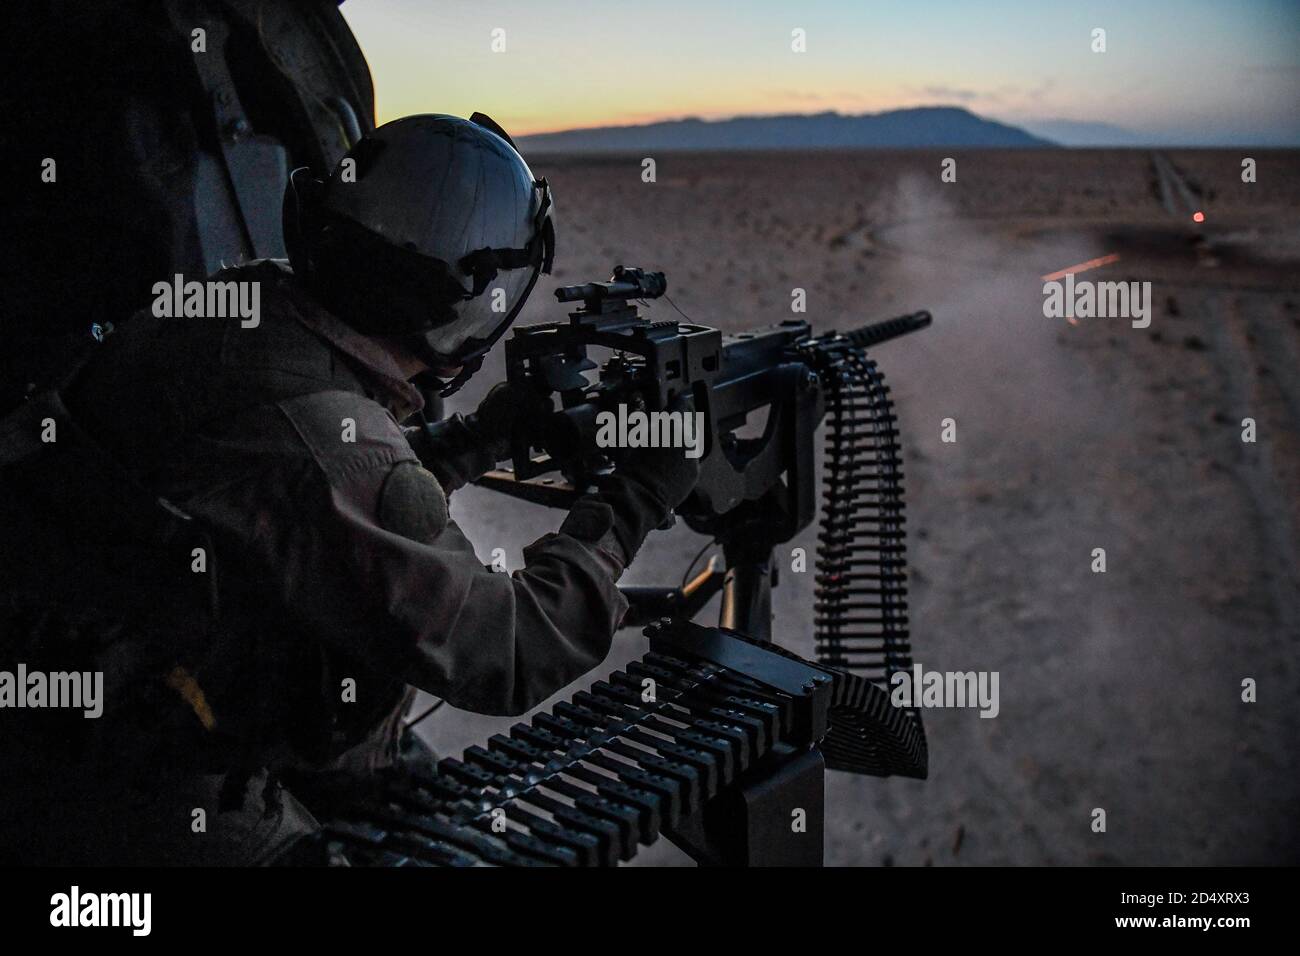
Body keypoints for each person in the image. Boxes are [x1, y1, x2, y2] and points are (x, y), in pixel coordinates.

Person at [0, 113, 698, 864]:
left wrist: (480, 438)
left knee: (420, 790)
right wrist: (635, 499)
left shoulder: (247, 312)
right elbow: (509, 646)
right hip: (125, 773)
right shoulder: (319, 427)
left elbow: (308, 506)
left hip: (91, 676)